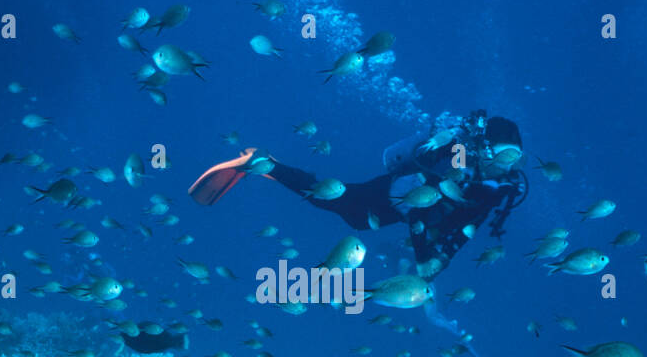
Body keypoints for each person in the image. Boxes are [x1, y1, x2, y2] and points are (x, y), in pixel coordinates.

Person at [189, 109, 529, 279]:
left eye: (516, 158)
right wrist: (427, 258)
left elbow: (471, 223)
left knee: (347, 214)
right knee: (337, 203)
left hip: (407, 212)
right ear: (485, 149)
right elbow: (421, 210)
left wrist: (446, 255)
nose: (508, 165)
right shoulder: (458, 156)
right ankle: (262, 163)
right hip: (394, 196)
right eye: (503, 155)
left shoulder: (499, 185)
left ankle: (269, 166)